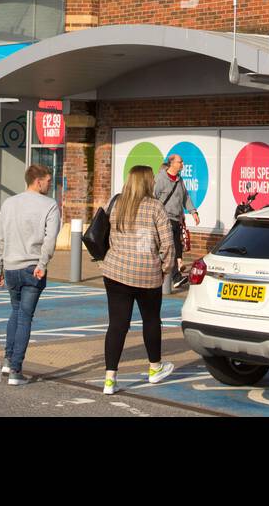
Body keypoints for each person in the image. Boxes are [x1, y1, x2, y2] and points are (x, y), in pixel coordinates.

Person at [101, 165, 176, 396]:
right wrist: (165, 269)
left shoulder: (115, 204)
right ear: (147, 182)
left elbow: (101, 232)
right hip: (147, 274)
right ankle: (155, 368)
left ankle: (109, 379)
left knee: (117, 325)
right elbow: (167, 244)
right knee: (151, 320)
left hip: (115, 272)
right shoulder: (156, 207)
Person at [0, 163, 60, 386]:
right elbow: (50, 240)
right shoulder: (50, 205)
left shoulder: (10, 203)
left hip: (11, 267)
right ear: (38, 181)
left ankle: (8, 359)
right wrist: (43, 263)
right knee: (24, 317)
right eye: (48, 181)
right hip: (33, 267)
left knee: (15, 312)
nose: (51, 184)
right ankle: (15, 370)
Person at [156, 154, 199, 287]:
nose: (182, 164)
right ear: (172, 163)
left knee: (175, 247)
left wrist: (193, 212)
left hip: (176, 219)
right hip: (164, 219)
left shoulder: (179, 180)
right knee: (171, 248)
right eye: (180, 162)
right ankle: (175, 277)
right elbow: (153, 196)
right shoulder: (160, 179)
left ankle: (163, 275)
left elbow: (185, 197)